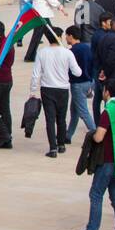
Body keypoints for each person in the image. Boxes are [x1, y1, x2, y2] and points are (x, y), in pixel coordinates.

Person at [71, 80, 115, 230]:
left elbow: (99, 137)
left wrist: (93, 133)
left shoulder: (108, 111)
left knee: (96, 194)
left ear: (107, 92)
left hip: (106, 160)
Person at [30, 27, 80, 157]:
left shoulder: (42, 52)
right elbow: (77, 72)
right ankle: (61, 144)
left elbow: (36, 74)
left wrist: (33, 90)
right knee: (61, 118)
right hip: (63, 89)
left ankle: (52, 147)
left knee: (50, 119)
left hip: (47, 89)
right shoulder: (67, 53)